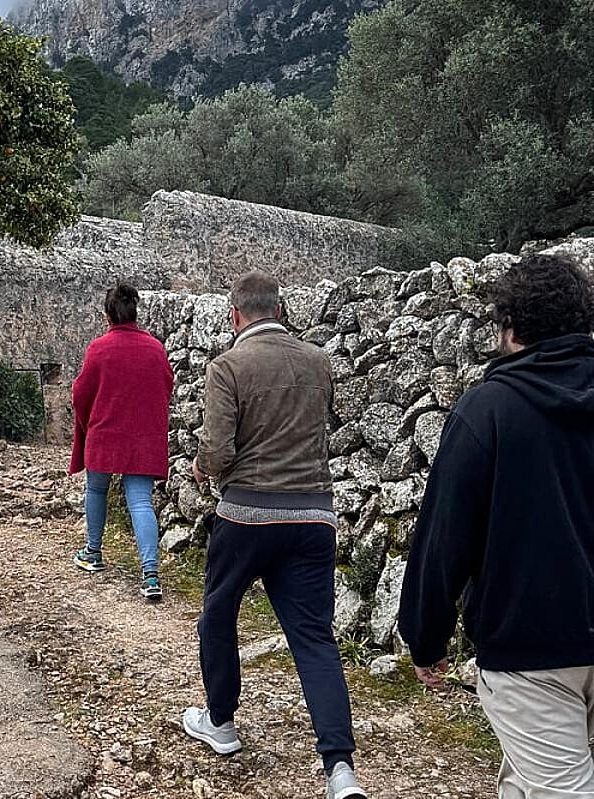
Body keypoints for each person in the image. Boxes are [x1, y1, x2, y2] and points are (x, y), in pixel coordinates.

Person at [399, 254, 594, 799]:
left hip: (530, 644)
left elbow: (444, 537)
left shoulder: (489, 410)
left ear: (508, 328)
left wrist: (425, 637)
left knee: (560, 789)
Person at [182, 271, 366, 799]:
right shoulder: (318, 361)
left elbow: (218, 451)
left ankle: (221, 723)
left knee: (218, 614)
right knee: (313, 638)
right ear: (280, 310)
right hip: (313, 517)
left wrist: (200, 468)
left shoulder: (228, 367)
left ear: (235, 314)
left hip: (246, 517)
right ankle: (339, 768)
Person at [70, 283, 174, 601]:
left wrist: (90, 426)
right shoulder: (155, 348)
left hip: (104, 435)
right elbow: (166, 386)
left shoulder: (99, 349)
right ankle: (151, 576)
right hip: (142, 437)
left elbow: (81, 393)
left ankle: (93, 552)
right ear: (135, 312)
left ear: (107, 316)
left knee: (96, 490)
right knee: (141, 502)